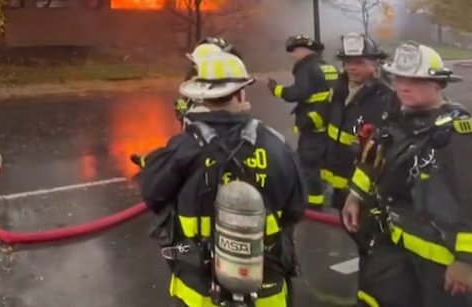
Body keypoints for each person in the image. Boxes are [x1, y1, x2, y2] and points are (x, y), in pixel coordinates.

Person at [342, 42, 472, 307]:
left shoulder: (461, 136)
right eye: (399, 78)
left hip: (442, 264)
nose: (404, 86)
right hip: (396, 248)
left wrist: (468, 261)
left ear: (438, 84)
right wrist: (355, 196)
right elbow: (372, 161)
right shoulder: (396, 121)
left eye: (415, 80)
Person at [140, 50, 306, 307]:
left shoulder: (182, 148)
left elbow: (152, 194)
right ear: (241, 92)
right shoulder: (276, 145)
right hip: (266, 289)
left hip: (199, 291)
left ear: (201, 96)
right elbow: (296, 208)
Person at [322, 33, 397, 213]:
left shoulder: (386, 97)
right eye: (348, 62)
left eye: (360, 62)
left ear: (375, 65)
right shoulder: (338, 90)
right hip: (338, 178)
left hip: (366, 185)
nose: (352, 68)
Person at [268, 34, 339, 209]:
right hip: (329, 122)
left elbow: (298, 93)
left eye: (295, 51)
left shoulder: (306, 67)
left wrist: (276, 89)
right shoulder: (327, 66)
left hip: (312, 123)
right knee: (323, 162)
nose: (293, 55)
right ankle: (327, 197)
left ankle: (312, 204)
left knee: (308, 164)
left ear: (303, 50)